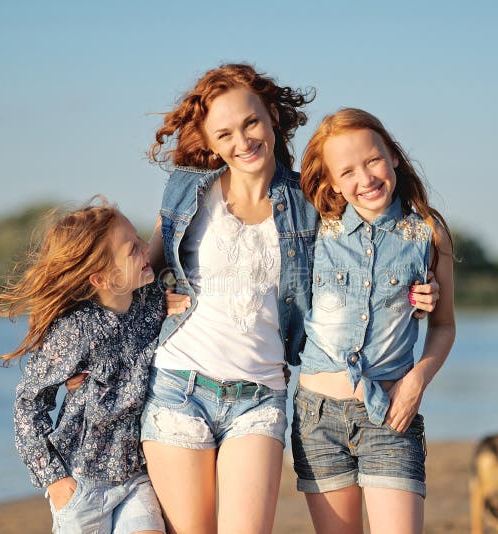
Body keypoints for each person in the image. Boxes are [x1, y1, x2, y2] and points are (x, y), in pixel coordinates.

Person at [140, 65, 440, 534]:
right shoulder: (185, 191)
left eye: (251, 122)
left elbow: (369, 250)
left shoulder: (310, 199)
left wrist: (423, 287)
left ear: (272, 116)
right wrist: (146, 307)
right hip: (179, 386)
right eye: (225, 133)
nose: (242, 140)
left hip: (260, 395)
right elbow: (138, 278)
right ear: (211, 143)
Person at [293, 108, 456, 534]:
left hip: (392, 411)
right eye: (347, 171)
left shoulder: (427, 232)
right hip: (317, 417)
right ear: (331, 181)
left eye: (373, 160)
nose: (365, 178)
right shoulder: (315, 229)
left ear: (393, 156)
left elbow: (444, 326)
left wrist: (418, 379)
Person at [0, 200, 166, 534]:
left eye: (140, 241)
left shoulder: (151, 303)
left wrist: (175, 303)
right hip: (82, 482)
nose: (145, 251)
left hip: (136, 475)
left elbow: (165, 233)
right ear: (101, 279)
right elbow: (28, 404)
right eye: (132, 249)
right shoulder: (75, 330)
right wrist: (54, 479)